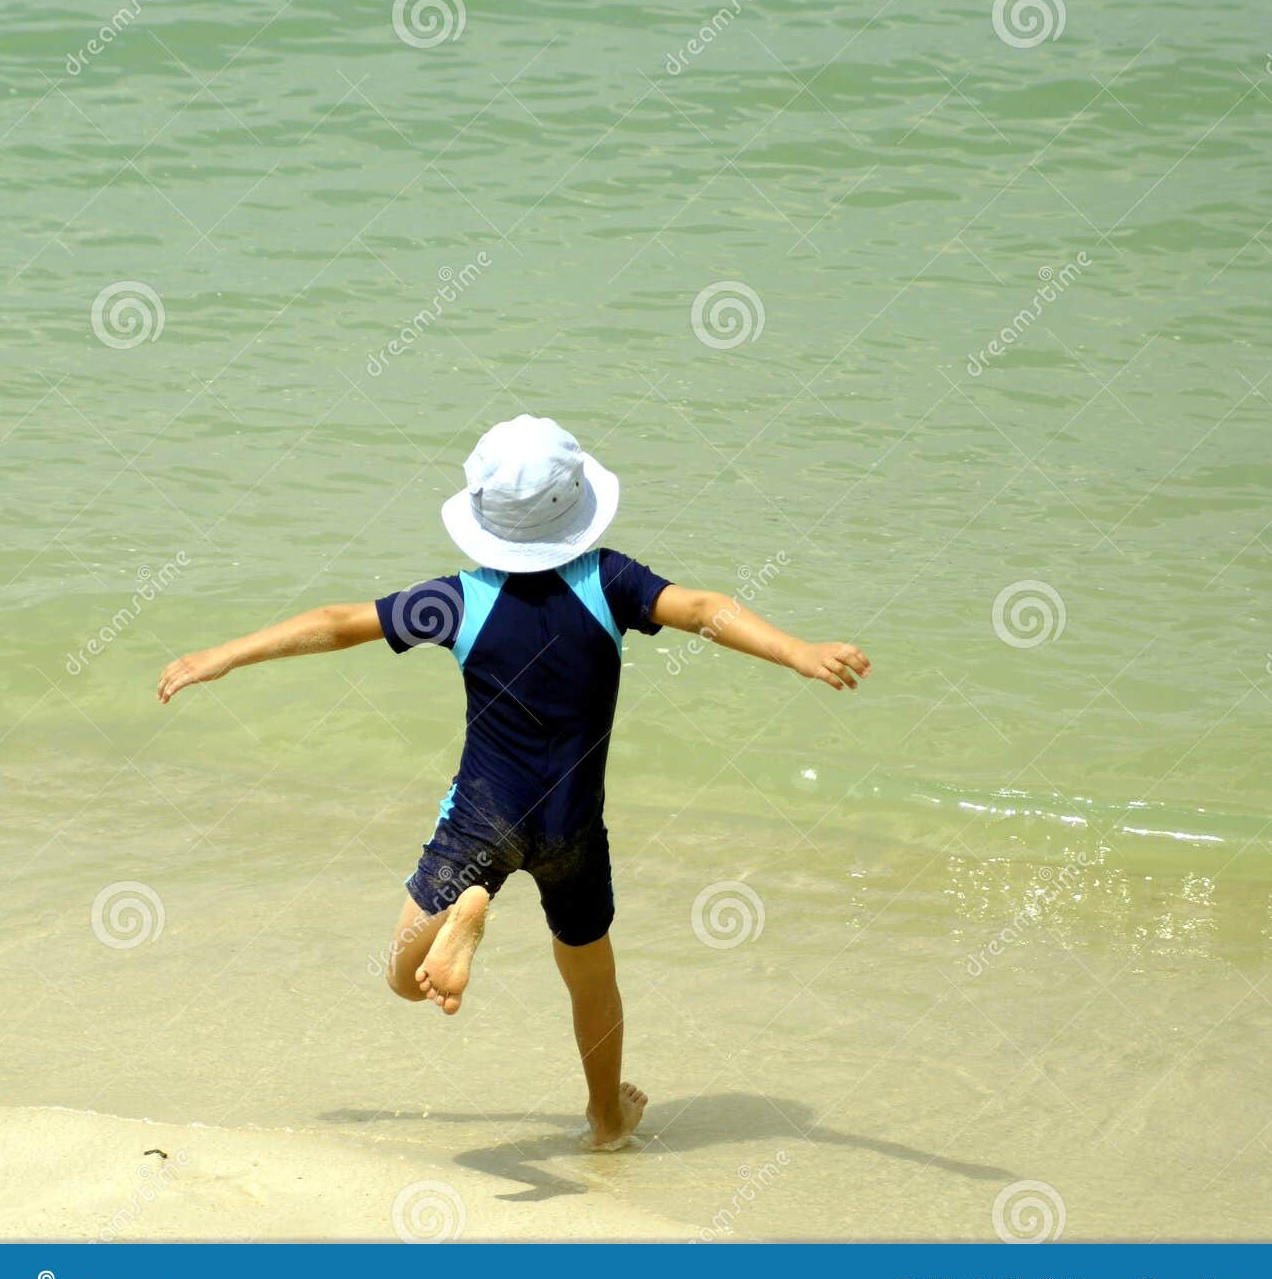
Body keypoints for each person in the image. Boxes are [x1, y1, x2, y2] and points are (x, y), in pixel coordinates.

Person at [157, 414, 870, 1150]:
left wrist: (227, 654)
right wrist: (796, 651)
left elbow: (339, 621)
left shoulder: (458, 600)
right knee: (591, 977)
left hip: (481, 821)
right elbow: (700, 610)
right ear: (577, 505)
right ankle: (603, 1120)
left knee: (405, 979)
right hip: (571, 830)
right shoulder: (611, 582)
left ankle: (462, 913)